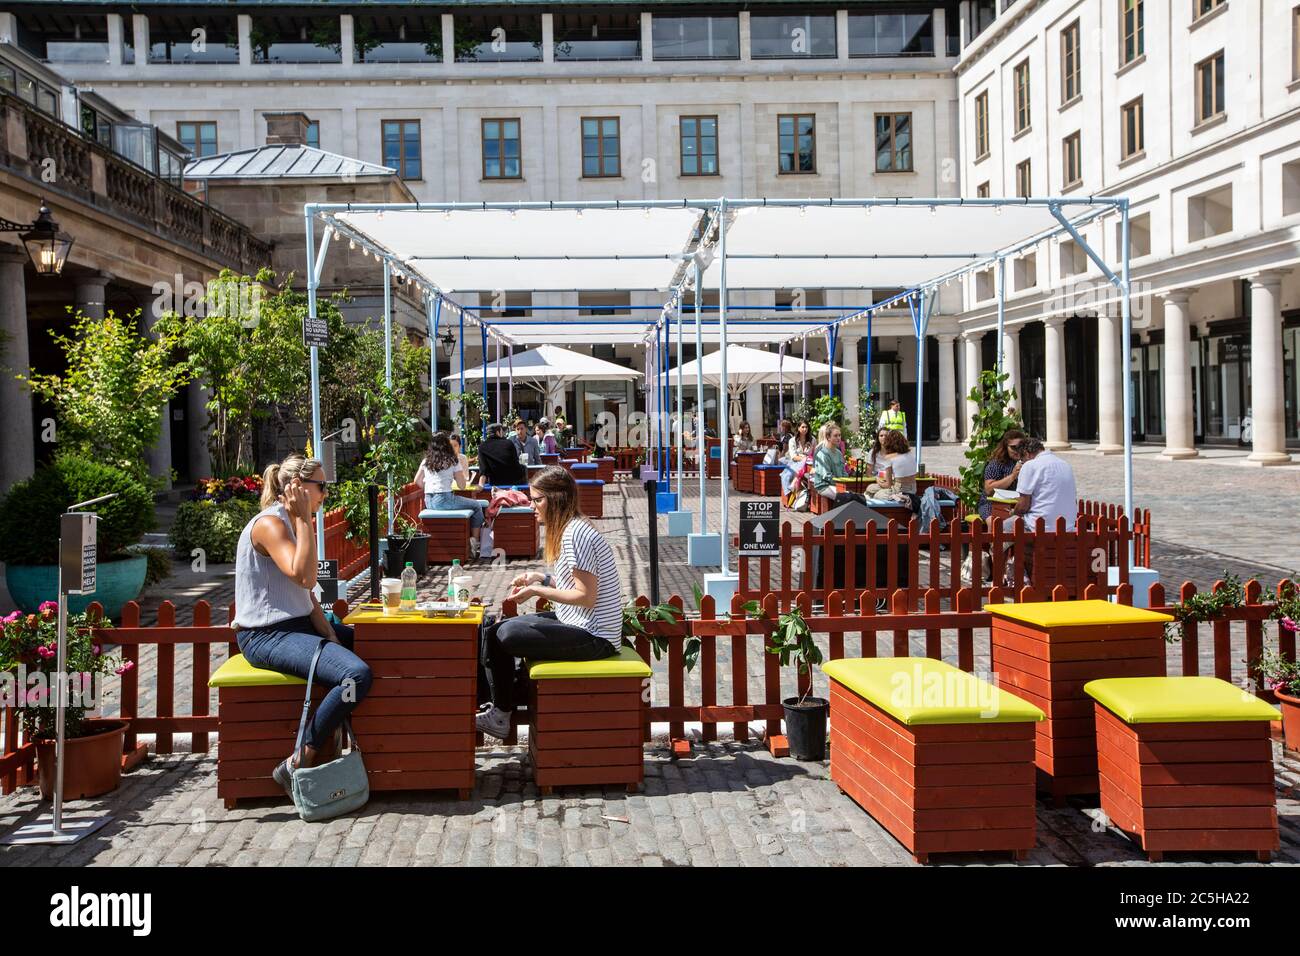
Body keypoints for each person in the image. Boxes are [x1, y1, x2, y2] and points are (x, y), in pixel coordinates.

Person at [233, 452, 373, 793]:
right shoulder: (271, 525)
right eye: (321, 486)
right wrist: (303, 522)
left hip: (298, 626)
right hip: (267, 635)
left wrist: (330, 633)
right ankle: (302, 757)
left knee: (376, 644)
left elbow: (307, 599)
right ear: (297, 487)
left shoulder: (292, 522)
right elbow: (306, 578)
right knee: (356, 675)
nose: (326, 494)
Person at [476, 466, 623, 738]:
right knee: (493, 628)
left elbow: (585, 597)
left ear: (556, 499)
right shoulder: (571, 528)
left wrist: (537, 591)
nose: (532, 506)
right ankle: (496, 706)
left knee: (505, 634)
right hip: (580, 624)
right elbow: (573, 587)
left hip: (596, 636)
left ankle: (500, 711)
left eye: (537, 499)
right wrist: (541, 578)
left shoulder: (575, 534)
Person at [414, 432, 488, 553]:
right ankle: (475, 542)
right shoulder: (452, 461)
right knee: (476, 506)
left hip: (428, 500)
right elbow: (462, 486)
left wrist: (429, 487)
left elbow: (417, 481)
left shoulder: (426, 461)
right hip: (444, 499)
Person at [1010, 438, 1077, 530]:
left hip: (1039, 526)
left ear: (1026, 454)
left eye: (1022, 460)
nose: (1022, 463)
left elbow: (1023, 506)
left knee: (1003, 527)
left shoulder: (1030, 465)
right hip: (1067, 526)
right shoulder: (1065, 464)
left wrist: (1014, 512)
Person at [811, 422, 867, 507]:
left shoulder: (838, 453)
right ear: (828, 437)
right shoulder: (822, 454)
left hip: (838, 484)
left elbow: (843, 471)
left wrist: (845, 481)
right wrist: (840, 484)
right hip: (824, 486)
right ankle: (836, 519)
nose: (838, 438)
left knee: (856, 496)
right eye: (835, 436)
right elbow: (826, 476)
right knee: (846, 497)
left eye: (839, 435)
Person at [978, 429, 1027, 522]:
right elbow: (989, 490)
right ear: (1006, 447)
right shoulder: (996, 464)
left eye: (1020, 447)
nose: (1017, 451)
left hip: (1018, 503)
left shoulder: (1029, 463)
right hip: (992, 503)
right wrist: (1012, 477)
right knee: (994, 522)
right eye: (1013, 447)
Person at [477, 422, 527, 487]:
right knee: (523, 467)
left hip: (495, 482)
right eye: (502, 431)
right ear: (498, 432)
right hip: (515, 481)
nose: (503, 433)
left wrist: (481, 485)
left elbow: (483, 469)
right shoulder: (508, 443)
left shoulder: (482, 447)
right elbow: (515, 461)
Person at [780, 420, 816, 496]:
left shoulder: (812, 440)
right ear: (798, 428)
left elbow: (816, 453)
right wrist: (805, 458)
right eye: (803, 427)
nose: (805, 429)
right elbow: (793, 457)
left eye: (806, 427)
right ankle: (794, 491)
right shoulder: (792, 440)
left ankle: (799, 488)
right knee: (790, 474)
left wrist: (807, 459)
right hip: (795, 463)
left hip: (810, 463)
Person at [878, 430, 918, 496]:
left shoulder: (889, 457)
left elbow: (888, 485)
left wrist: (878, 481)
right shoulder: (910, 454)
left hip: (900, 490)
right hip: (913, 489)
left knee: (873, 492)